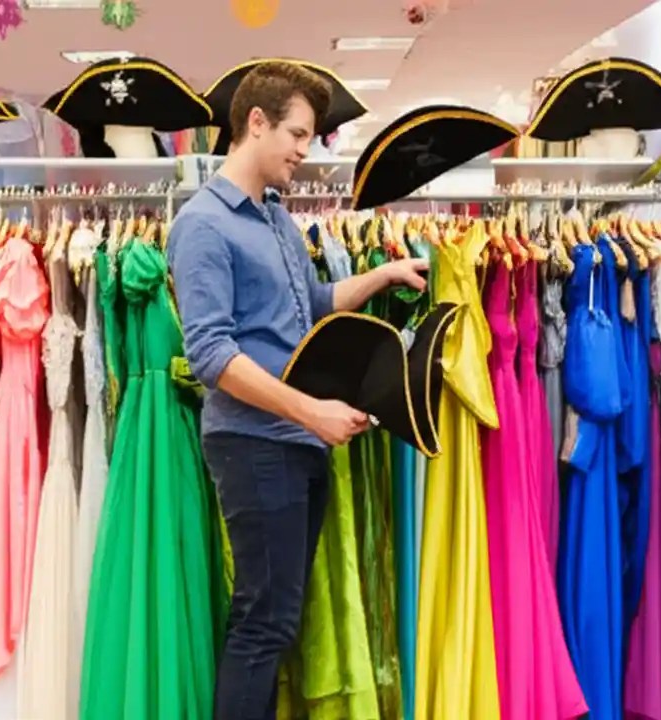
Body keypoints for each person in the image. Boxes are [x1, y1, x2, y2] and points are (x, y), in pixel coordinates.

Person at [167, 61, 429, 720]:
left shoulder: (277, 221)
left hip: (293, 441)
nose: (304, 150)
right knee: (263, 623)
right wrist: (311, 411)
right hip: (254, 442)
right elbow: (210, 354)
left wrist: (383, 275)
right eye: (298, 134)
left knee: (278, 620)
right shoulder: (203, 224)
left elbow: (310, 305)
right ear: (256, 122)